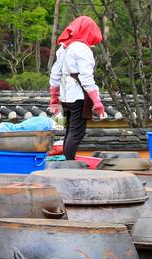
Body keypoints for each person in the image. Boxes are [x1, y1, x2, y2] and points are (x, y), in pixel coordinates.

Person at [48, 16, 106, 161]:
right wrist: (97, 101)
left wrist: (54, 97)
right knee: (76, 133)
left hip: (65, 97)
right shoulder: (82, 49)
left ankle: (66, 161)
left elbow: (55, 73)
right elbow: (86, 78)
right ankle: (69, 164)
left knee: (69, 131)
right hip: (78, 96)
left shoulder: (64, 48)